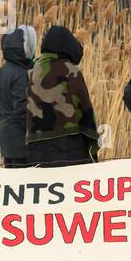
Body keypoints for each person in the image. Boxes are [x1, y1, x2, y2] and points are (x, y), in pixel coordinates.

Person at [26, 25, 99, 167]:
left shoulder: (32, 71)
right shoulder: (71, 71)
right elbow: (86, 111)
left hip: (36, 148)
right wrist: (92, 144)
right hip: (69, 147)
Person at [0, 25, 36, 168]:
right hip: (21, 142)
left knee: (11, 183)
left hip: (6, 139)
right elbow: (22, 109)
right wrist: (34, 134)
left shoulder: (1, 71)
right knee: (24, 186)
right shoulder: (21, 73)